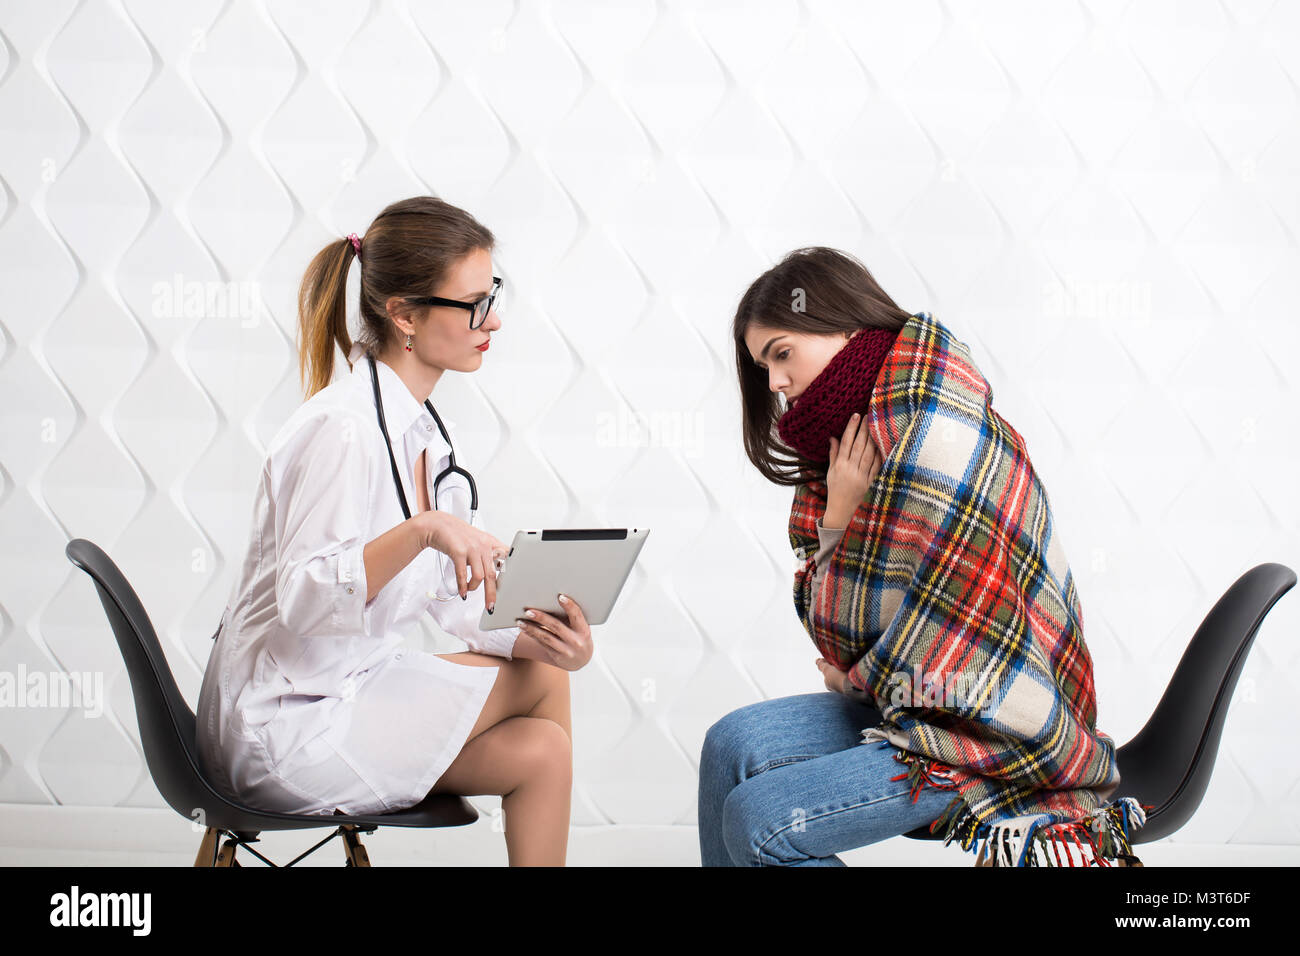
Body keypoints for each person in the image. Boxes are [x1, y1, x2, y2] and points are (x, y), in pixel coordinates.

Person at [699, 247, 1143, 867]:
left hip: (994, 731)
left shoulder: (938, 430)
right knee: (728, 745)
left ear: (844, 325)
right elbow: (842, 632)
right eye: (762, 365)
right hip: (909, 706)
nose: (775, 383)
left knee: (763, 819)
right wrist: (839, 518)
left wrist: (855, 673)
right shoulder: (850, 448)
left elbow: (908, 645)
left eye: (782, 353)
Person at [196, 196, 591, 866]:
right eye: (471, 304)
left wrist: (548, 636)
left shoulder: (424, 434)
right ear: (404, 314)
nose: (492, 320)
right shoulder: (341, 430)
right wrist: (422, 531)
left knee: (544, 735)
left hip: (348, 689)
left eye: (491, 294)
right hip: (286, 725)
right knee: (541, 691)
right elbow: (304, 599)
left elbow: (451, 597)